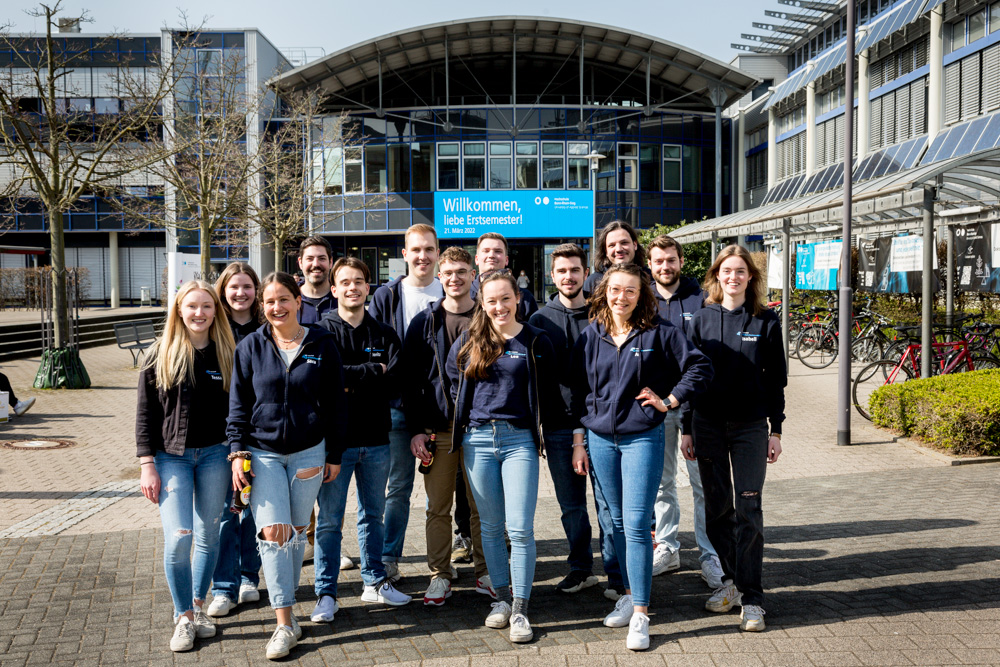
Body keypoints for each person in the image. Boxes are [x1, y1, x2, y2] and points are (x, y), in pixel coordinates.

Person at [571, 263, 712, 651]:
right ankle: (630, 595)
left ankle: (641, 614)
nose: (622, 297)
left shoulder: (660, 332)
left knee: (635, 523)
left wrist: (669, 401)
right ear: (603, 291)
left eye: (630, 291)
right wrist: (579, 440)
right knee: (615, 522)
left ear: (641, 294)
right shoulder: (590, 336)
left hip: (642, 438)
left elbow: (700, 366)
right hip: (599, 440)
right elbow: (579, 390)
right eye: (615, 289)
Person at [227, 271, 347, 660]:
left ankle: (289, 610)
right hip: (262, 453)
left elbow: (335, 404)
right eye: (269, 302)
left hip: (310, 452)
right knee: (274, 534)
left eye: (283, 299)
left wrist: (334, 455)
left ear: (299, 301)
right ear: (261, 307)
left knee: (296, 533)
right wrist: (237, 453)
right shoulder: (249, 348)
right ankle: (283, 622)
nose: (276, 307)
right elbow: (238, 407)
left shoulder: (322, 343)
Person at [447, 271, 558, 644]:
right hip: (477, 441)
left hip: (519, 442)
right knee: (490, 528)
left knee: (520, 529)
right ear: (482, 302)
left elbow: (550, 388)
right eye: (491, 300)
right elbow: (451, 379)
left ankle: (522, 609)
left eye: (505, 299)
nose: (499, 307)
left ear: (517, 298)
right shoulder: (469, 339)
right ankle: (502, 600)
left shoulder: (534, 340)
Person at [682, 245, 786, 633]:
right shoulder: (699, 320)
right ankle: (731, 583)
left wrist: (776, 430)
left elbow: (776, 381)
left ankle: (753, 598)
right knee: (717, 510)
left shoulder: (766, 320)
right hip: (707, 426)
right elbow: (690, 378)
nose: (734, 277)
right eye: (727, 270)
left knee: (749, 510)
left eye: (741, 271)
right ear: (716, 275)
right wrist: (688, 427)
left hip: (750, 428)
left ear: (751, 278)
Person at [135, 280, 236, 652]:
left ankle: (196, 607)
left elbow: (238, 411)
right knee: (179, 537)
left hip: (216, 455)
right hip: (170, 457)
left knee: (209, 536)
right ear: (179, 310)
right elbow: (145, 415)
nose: (199, 313)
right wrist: (147, 464)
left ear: (216, 311)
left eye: (206, 306)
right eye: (192, 306)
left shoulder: (228, 352)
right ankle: (183, 617)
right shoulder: (159, 353)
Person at [310, 257, 411, 625]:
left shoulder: (384, 334)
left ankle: (375, 580)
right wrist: (370, 371)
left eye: (359, 281)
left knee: (373, 514)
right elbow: (324, 380)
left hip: (377, 439)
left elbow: (395, 380)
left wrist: (351, 377)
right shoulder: (319, 333)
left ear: (369, 287)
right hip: (335, 444)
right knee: (330, 521)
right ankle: (326, 592)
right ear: (334, 289)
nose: (353, 287)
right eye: (345, 282)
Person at [402, 246, 491, 606]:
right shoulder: (424, 322)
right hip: (437, 430)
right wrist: (416, 428)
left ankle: (487, 572)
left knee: (483, 506)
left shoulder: (488, 317)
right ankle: (440, 574)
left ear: (473, 276)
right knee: (437, 507)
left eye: (461, 271)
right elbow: (409, 381)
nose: (455, 278)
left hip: (480, 428)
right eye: (448, 272)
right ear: (440, 277)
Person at [528, 243, 617, 596]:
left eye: (574, 270)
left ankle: (616, 572)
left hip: (599, 426)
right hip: (557, 426)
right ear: (553, 275)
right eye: (562, 271)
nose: (568, 276)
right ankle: (581, 568)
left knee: (608, 504)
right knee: (571, 506)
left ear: (585, 273)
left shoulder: (602, 315)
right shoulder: (538, 321)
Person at [646, 236, 724, 588]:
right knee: (661, 484)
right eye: (659, 261)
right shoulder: (641, 299)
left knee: (702, 484)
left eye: (671, 260)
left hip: (698, 406)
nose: (665, 267)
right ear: (650, 264)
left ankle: (711, 554)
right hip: (656, 407)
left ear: (681, 261)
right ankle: (668, 547)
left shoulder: (702, 297)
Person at [369, 223, 443, 583]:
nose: (422, 256)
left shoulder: (451, 290)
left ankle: (441, 561)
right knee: (398, 486)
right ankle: (388, 556)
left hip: (443, 409)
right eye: (416, 249)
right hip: (397, 407)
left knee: (442, 489)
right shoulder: (387, 296)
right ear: (404, 254)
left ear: (438, 253)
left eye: (429, 249)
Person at [208, 263, 264, 618]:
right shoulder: (213, 329)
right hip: (221, 437)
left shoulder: (265, 328)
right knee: (227, 513)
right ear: (223, 290)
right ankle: (223, 586)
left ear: (256, 291)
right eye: (233, 287)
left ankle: (249, 577)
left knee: (254, 512)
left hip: (259, 434)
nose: (240, 293)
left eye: (247, 286)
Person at [469, 233, 538, 319]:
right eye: (486, 251)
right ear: (477, 259)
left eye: (498, 251)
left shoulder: (525, 298)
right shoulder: (465, 296)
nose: (491, 255)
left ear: (506, 260)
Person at [582, 221, 648, 294]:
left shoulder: (650, 279)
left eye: (624, 243)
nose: (618, 249)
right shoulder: (593, 282)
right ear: (606, 251)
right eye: (612, 245)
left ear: (635, 245)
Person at [297, 236, 337, 325]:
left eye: (322, 258)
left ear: (330, 262)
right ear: (300, 263)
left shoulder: (341, 299)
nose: (316, 264)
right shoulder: (289, 299)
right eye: (309, 259)